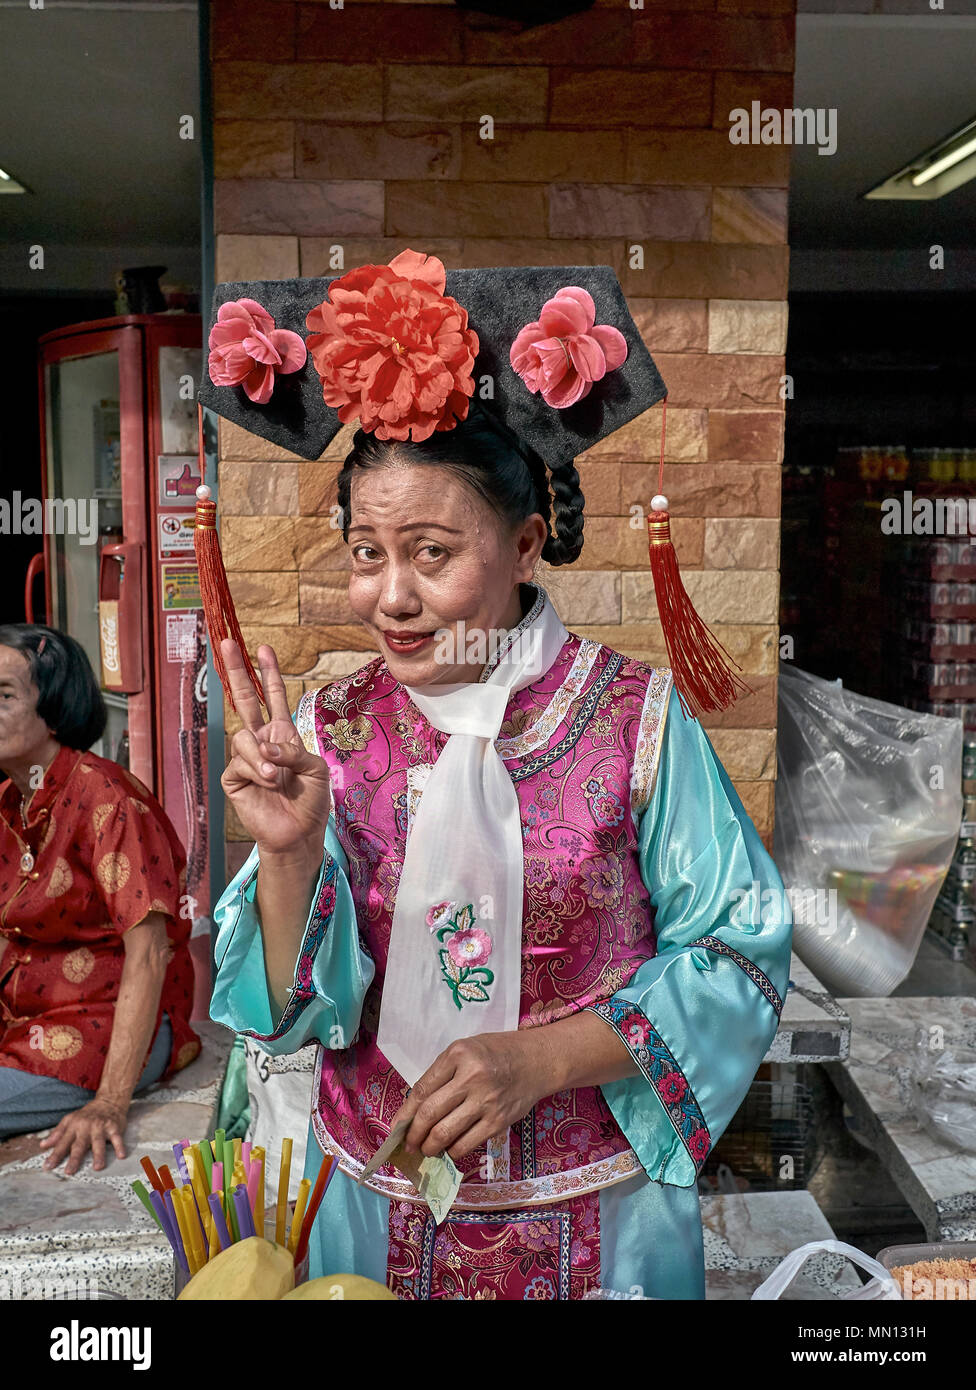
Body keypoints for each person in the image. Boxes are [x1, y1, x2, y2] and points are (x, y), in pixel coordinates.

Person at [205, 250, 793, 1299]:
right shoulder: (329, 733)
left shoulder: (632, 724)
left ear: (525, 545)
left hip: (595, 1217)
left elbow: (740, 952)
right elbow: (293, 1015)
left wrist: (543, 1058)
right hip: (370, 1216)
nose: (389, 595)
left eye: (431, 553)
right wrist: (286, 852)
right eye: (364, 551)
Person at [0, 624, 200, 1171]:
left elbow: (149, 952)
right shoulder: (9, 801)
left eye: (5, 695)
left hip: (102, 1028)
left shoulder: (106, 798)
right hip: (24, 1019)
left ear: (56, 707)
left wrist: (110, 1103)